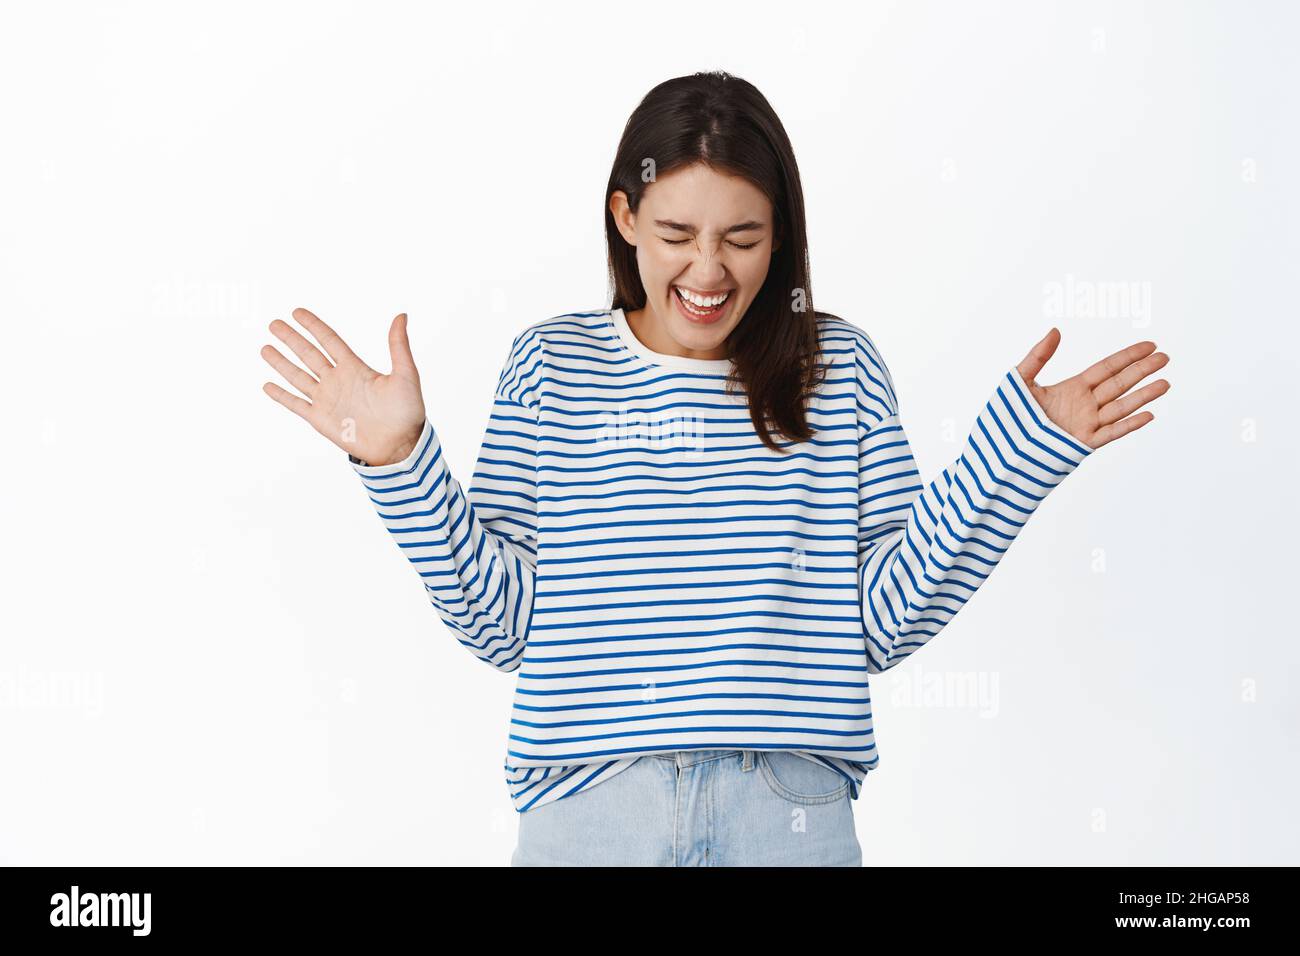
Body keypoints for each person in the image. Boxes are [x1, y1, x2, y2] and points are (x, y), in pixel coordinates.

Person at [259, 71, 1171, 866]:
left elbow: (881, 620)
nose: (708, 269)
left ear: (782, 235)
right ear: (624, 217)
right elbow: (505, 626)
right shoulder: (551, 366)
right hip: (590, 816)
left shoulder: (838, 367)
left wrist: (1016, 458)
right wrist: (400, 463)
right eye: (676, 232)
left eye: (743, 237)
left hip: (788, 816)